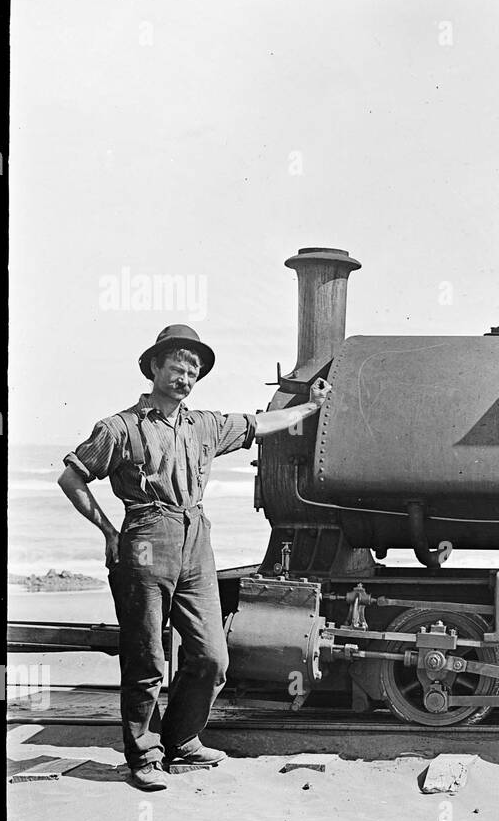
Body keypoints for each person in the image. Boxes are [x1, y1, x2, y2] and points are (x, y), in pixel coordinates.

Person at [57, 324, 331, 791]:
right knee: (146, 658)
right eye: (177, 368)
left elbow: (258, 424)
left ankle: (182, 740)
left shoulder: (204, 424)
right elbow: (72, 478)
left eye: (194, 371)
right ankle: (143, 755)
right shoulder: (119, 428)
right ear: (154, 368)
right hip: (144, 536)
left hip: (195, 537)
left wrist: (312, 405)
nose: (185, 377)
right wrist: (108, 531)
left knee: (210, 656)